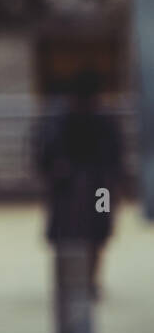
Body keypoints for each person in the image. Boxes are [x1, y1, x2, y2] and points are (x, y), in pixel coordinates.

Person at [36, 70, 126, 299]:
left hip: (93, 186)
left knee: (93, 235)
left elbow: (114, 157)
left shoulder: (98, 120)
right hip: (74, 186)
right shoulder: (64, 121)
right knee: (73, 236)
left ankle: (85, 281)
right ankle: (74, 281)